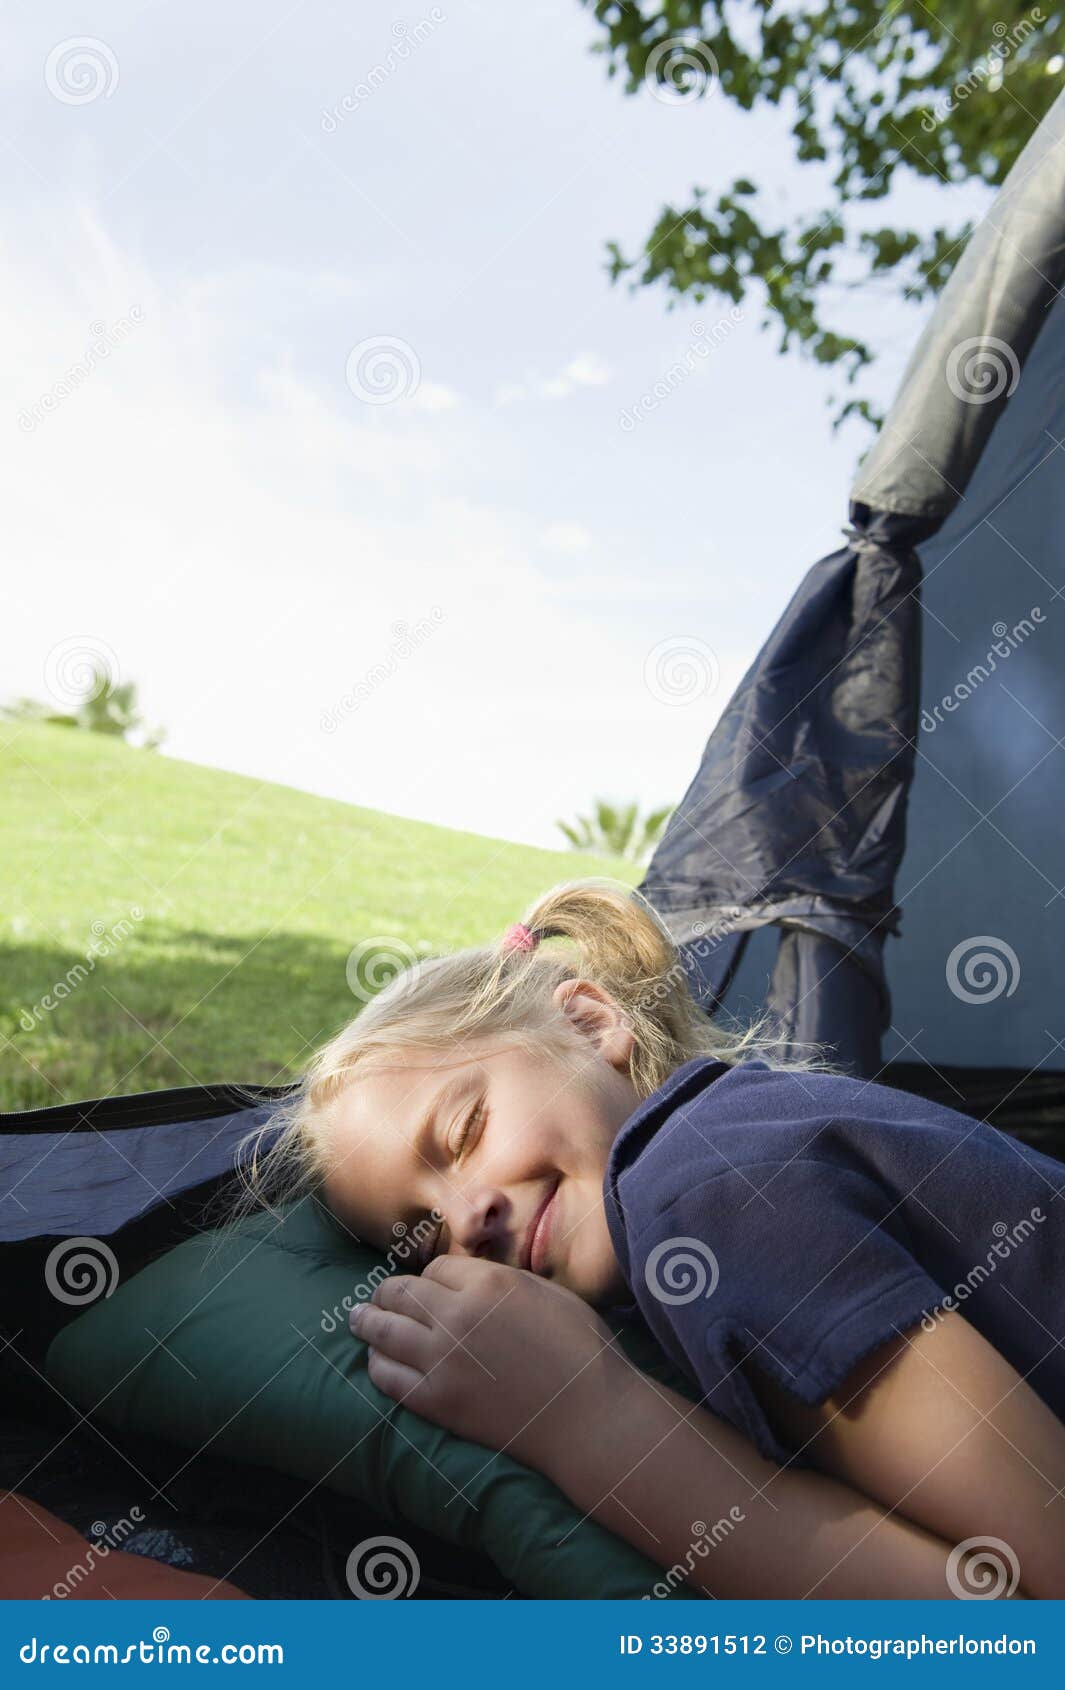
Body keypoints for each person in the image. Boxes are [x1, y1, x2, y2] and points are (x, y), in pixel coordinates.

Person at [233, 881, 1065, 1598]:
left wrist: (584, 1416)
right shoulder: (722, 1147)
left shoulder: (704, 1192)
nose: (466, 1218)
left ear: (591, 1026)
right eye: (421, 1241)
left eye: (465, 1129)